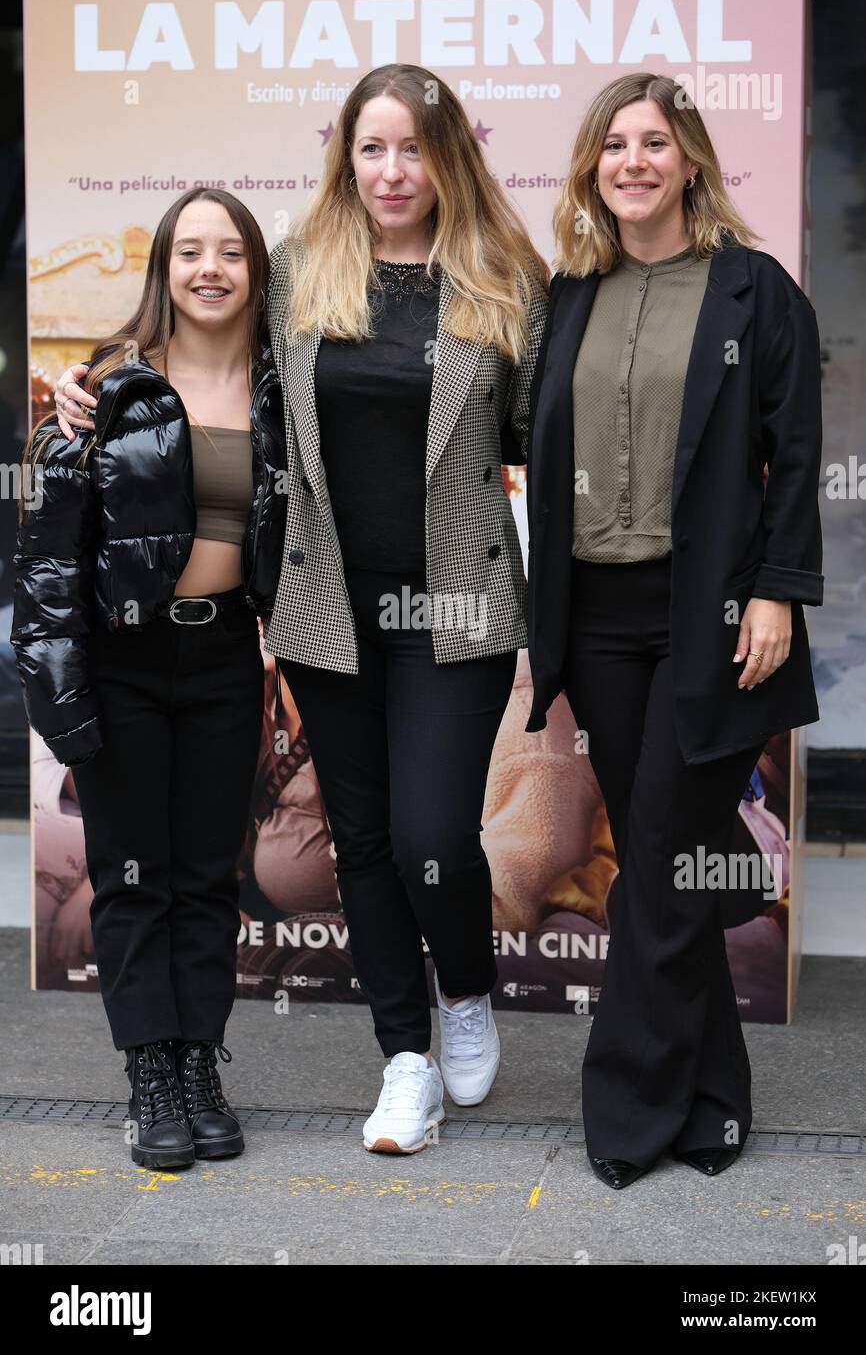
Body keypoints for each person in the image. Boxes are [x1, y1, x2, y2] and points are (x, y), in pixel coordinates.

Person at [55, 64, 549, 1157]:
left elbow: (543, 443)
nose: (390, 171)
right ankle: (403, 1060)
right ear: (344, 159)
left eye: (412, 148)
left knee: (431, 837)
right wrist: (94, 383)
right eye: (370, 148)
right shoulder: (300, 274)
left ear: (448, 157)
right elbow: (200, 345)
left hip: (454, 605)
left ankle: (463, 989)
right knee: (360, 841)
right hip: (327, 604)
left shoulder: (504, 278)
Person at [524, 73, 823, 1189]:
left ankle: (628, 1106)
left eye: (654, 143)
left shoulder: (753, 292)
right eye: (613, 146)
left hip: (710, 616)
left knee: (654, 855)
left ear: (689, 158)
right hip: (594, 621)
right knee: (669, 855)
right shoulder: (568, 295)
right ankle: (713, 1100)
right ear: (591, 168)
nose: (632, 162)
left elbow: (794, 453)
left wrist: (776, 591)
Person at [14, 188, 287, 1170]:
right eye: (188, 251)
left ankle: (200, 1062)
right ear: (163, 269)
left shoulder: (279, 391)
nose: (208, 268)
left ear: (256, 270)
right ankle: (151, 1073)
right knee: (131, 876)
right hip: (123, 661)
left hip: (222, 658)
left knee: (206, 876)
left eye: (229, 251)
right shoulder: (106, 390)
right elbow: (47, 565)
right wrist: (56, 692)